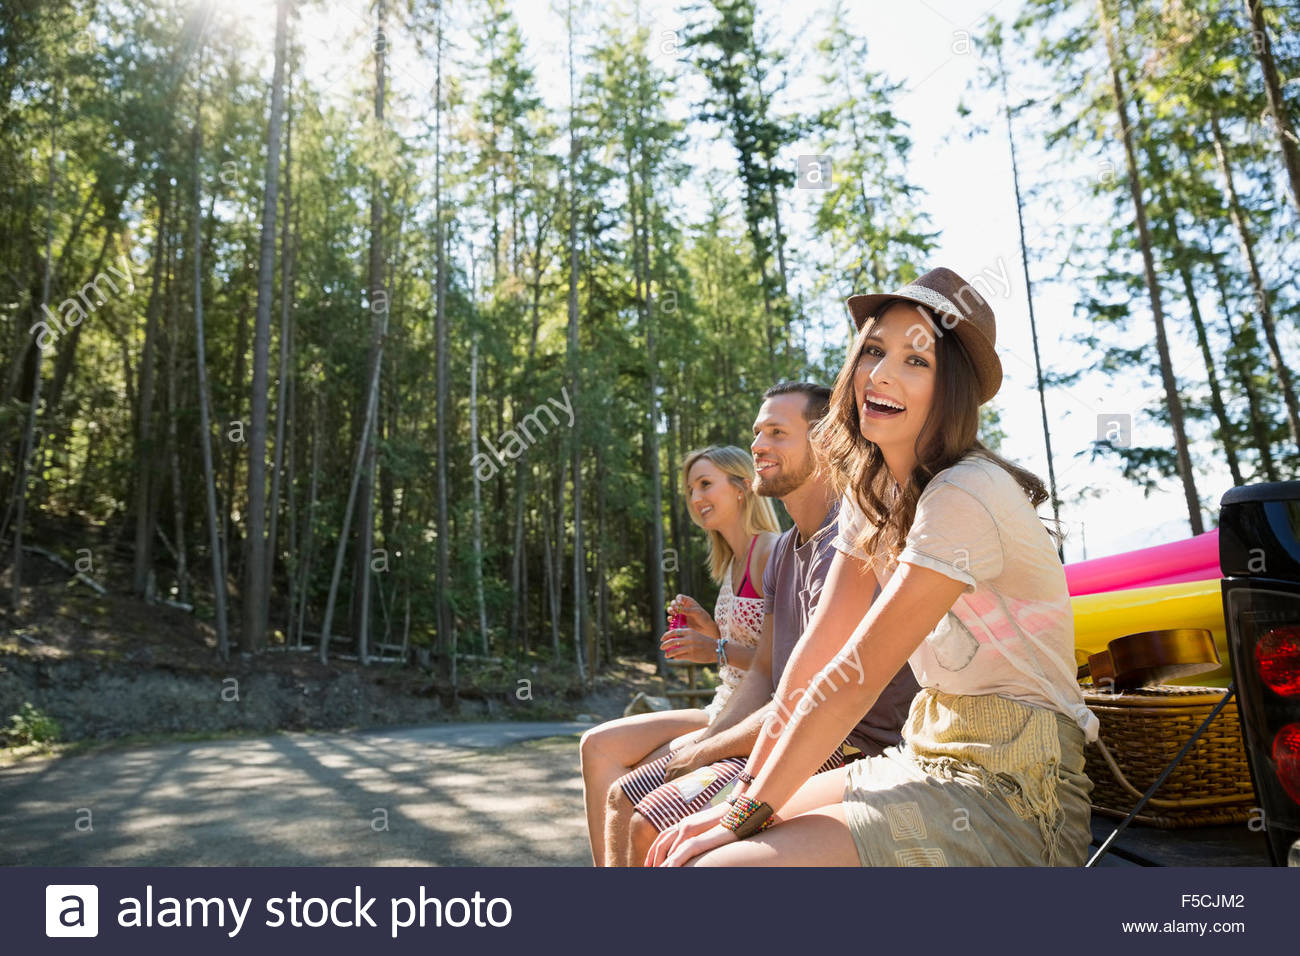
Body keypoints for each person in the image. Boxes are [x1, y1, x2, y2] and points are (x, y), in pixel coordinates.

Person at [649, 267, 1097, 867]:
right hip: (926, 754)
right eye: (874, 350)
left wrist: (742, 817)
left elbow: (855, 675)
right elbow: (813, 659)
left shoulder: (965, 492)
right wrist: (745, 796)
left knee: (719, 866)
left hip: (1014, 787)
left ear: (951, 390)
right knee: (698, 834)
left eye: (917, 361)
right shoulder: (873, 499)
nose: (881, 374)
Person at [604, 382, 918, 866]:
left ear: (827, 441)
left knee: (651, 822)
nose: (757, 445)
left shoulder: (853, 537)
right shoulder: (784, 553)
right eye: (756, 433)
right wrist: (708, 744)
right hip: (787, 725)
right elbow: (766, 674)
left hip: (852, 743)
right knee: (621, 799)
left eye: (777, 431)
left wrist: (707, 750)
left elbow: (818, 698)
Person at [579, 444, 780, 866]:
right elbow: (745, 639)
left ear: (743, 487)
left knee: (635, 786)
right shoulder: (731, 562)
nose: (695, 498)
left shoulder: (769, 551)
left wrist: (716, 649)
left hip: (750, 716)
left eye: (706, 484)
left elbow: (781, 660)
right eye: (690, 489)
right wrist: (709, 627)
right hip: (720, 705)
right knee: (595, 744)